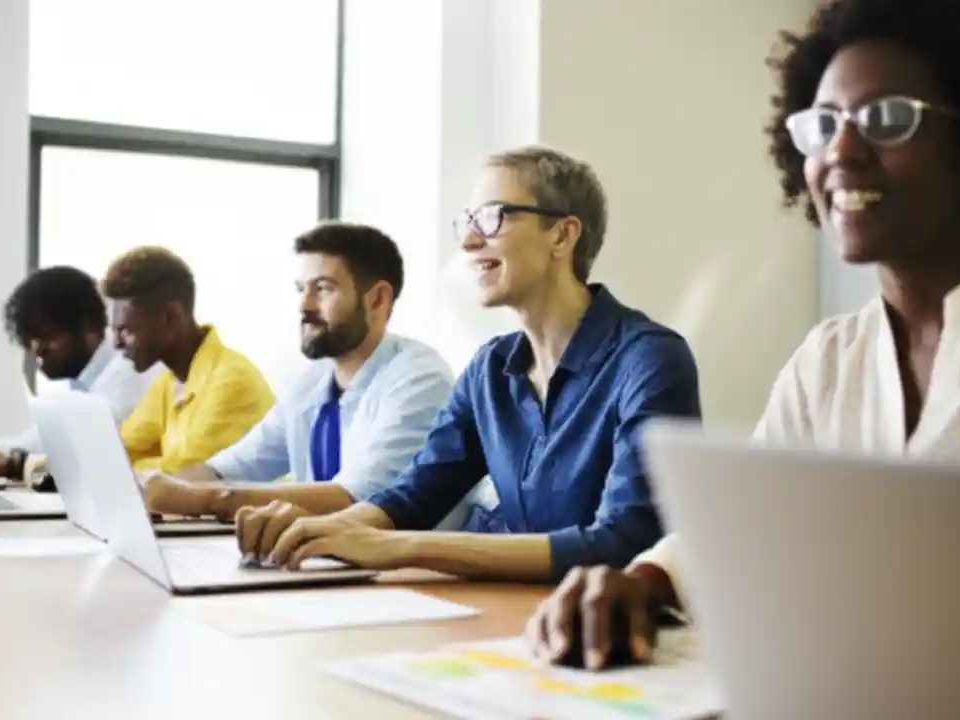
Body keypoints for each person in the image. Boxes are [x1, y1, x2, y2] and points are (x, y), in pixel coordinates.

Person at [527, 0, 960, 671]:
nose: (841, 151)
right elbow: (746, 531)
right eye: (823, 126)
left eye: (888, 119)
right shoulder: (827, 361)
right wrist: (641, 584)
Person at [234, 146, 702, 580]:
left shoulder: (650, 360)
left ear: (562, 235)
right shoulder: (490, 368)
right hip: (512, 608)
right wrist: (322, 528)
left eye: (493, 217)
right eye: (468, 222)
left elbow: (625, 541)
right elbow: (416, 493)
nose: (470, 241)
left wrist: (398, 547)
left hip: (600, 621)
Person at [141, 222, 454, 518]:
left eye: (323, 288)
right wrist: (148, 490)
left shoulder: (420, 380)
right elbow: (228, 470)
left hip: (407, 555)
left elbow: (357, 498)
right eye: (301, 289)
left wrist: (205, 499)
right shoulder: (310, 381)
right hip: (331, 550)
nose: (304, 305)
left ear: (377, 299)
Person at [0, 266, 159, 480]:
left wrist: (11, 463)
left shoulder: (129, 373)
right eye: (30, 339)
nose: (37, 348)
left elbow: (84, 453)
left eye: (47, 336)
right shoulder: (87, 379)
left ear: (88, 326)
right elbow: (40, 442)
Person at [105, 246, 276, 473]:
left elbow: (188, 474)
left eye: (126, 330)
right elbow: (117, 452)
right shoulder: (169, 383)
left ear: (171, 317)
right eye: (114, 331)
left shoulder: (232, 380)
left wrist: (129, 468)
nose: (117, 344)